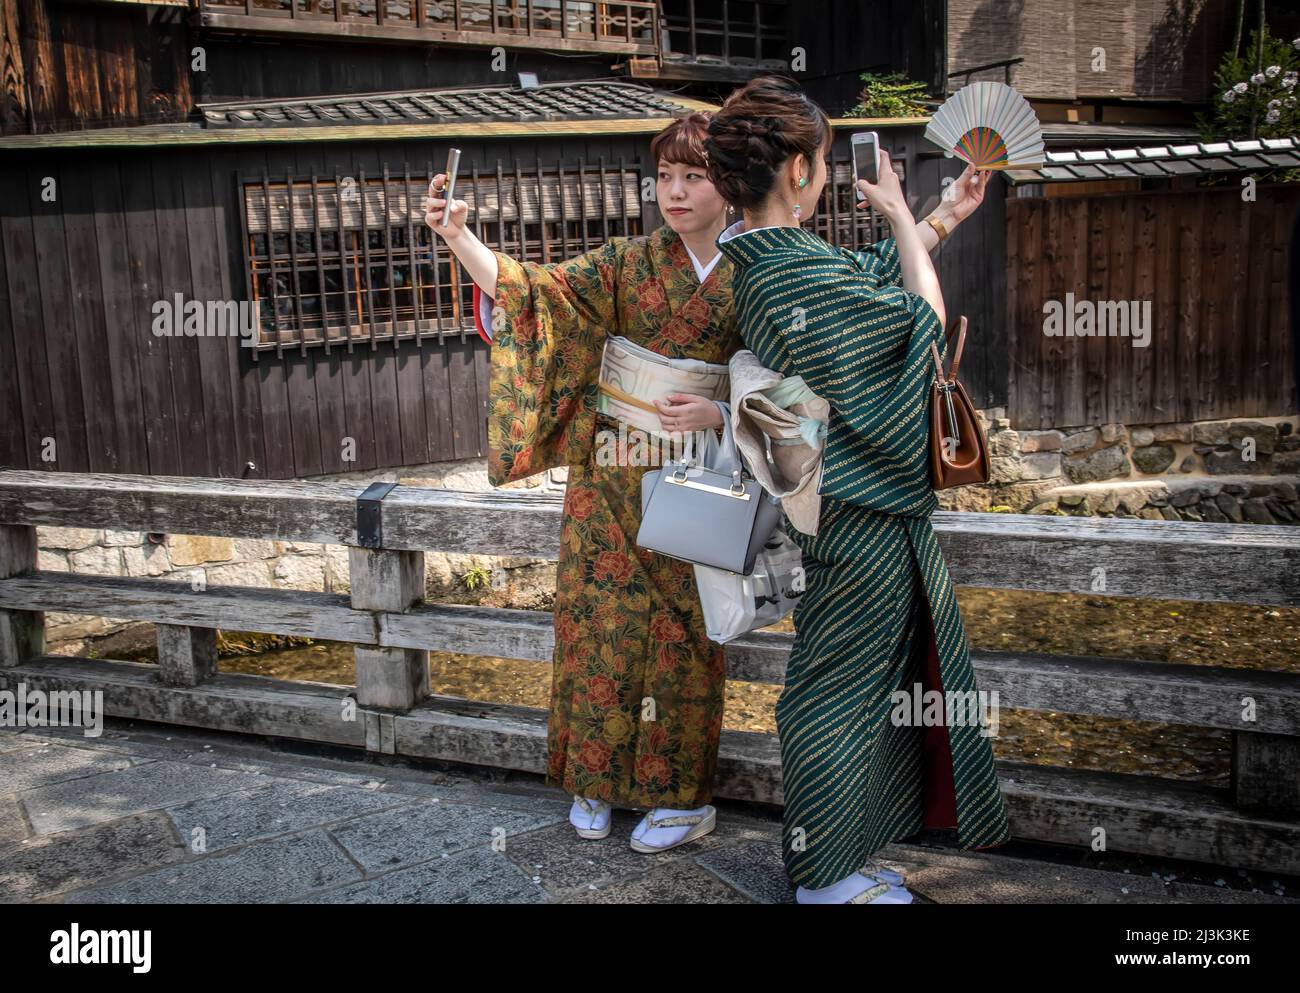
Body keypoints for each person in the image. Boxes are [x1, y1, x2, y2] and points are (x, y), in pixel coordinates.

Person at [705, 75, 1010, 904]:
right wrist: (907, 219)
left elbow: (870, 282)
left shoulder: (773, 258)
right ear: (798, 168)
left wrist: (941, 214)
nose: (831, 176)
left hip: (847, 501)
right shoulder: (781, 270)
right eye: (826, 162)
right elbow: (921, 318)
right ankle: (825, 878)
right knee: (836, 688)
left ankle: (839, 855)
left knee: (859, 681)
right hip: (858, 509)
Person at [423, 113, 744, 852]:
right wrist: (458, 237)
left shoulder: (757, 269)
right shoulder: (629, 263)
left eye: (693, 175)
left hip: (700, 477)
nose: (675, 190)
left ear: (729, 183)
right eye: (664, 175)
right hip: (610, 479)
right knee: (599, 628)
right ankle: (593, 780)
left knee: (684, 637)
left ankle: (683, 798)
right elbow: (535, 293)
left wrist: (723, 407)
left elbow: (784, 377)